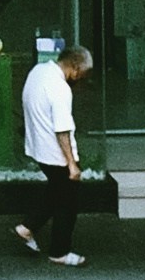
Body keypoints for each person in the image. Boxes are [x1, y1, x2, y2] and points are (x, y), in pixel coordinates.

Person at [17, 41, 95, 267]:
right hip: (56, 153)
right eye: (82, 74)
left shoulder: (38, 71)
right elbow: (62, 129)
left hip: (39, 147)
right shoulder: (61, 89)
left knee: (56, 190)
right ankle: (59, 251)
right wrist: (72, 164)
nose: (81, 79)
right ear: (75, 67)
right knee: (67, 203)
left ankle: (27, 227)